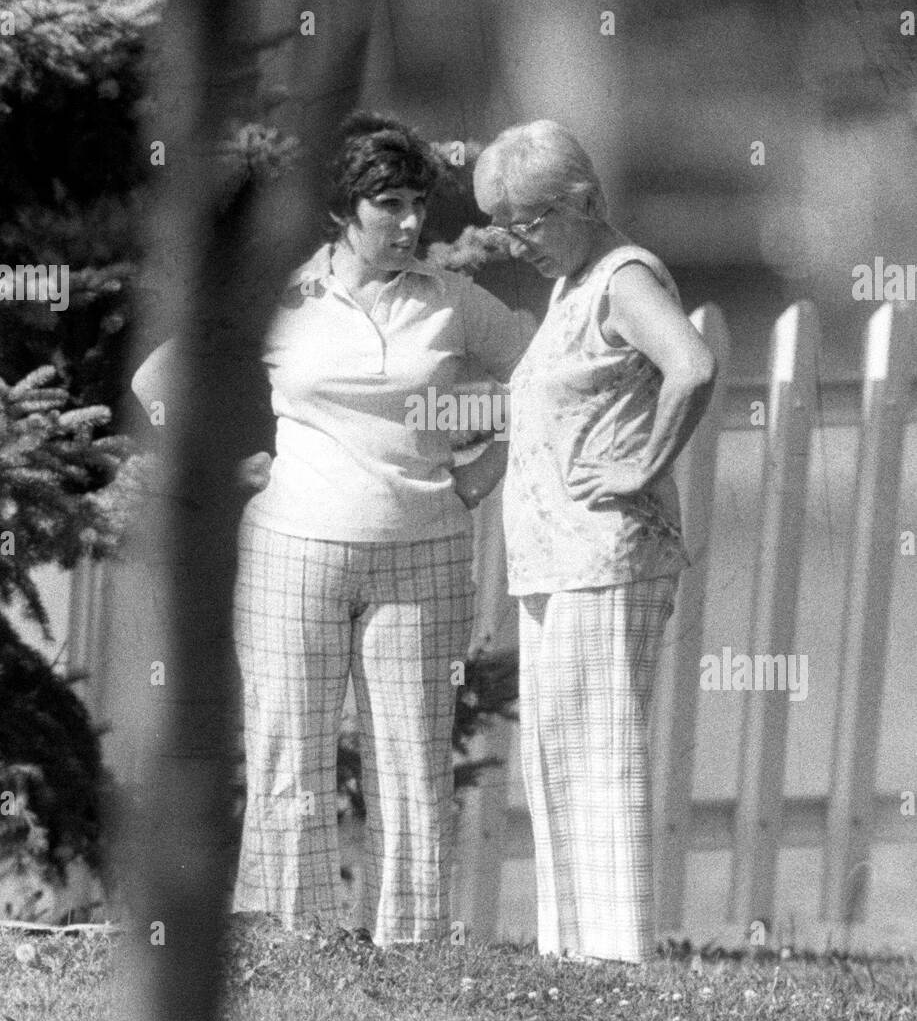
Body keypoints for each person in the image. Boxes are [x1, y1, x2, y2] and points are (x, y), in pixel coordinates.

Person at [133, 112, 530, 946]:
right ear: (340, 212)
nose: (412, 223)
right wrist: (223, 466)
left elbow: (546, 377)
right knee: (289, 751)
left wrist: (483, 471)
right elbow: (159, 379)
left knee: (414, 759)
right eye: (388, 204)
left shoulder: (451, 300)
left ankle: (411, 945)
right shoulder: (281, 296)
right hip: (293, 552)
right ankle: (293, 936)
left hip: (423, 552)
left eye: (419, 203)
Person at [473, 120, 718, 963]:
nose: (517, 241)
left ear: (581, 200)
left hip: (605, 556)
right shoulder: (572, 283)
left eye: (527, 220)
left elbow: (691, 364)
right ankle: (571, 951)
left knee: (601, 749)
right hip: (556, 560)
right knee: (555, 755)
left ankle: (614, 953)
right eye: (505, 224)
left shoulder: (621, 278)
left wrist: (641, 467)